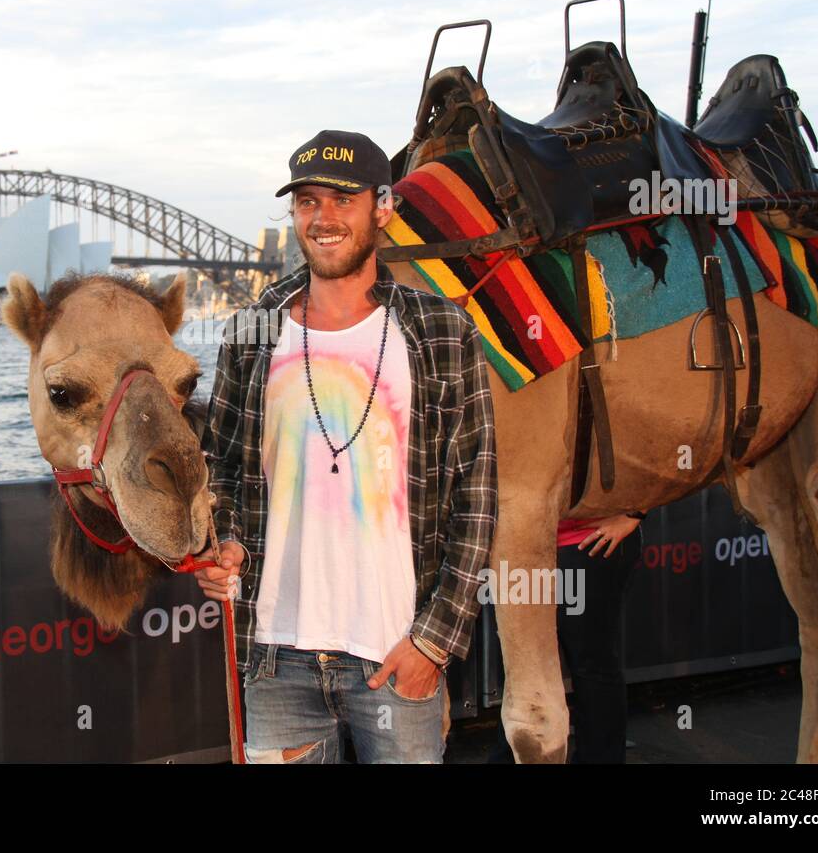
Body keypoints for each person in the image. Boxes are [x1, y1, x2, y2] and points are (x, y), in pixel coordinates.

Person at [193, 129, 497, 763]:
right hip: (276, 659)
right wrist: (222, 543)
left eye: (342, 199)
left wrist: (434, 643)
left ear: (382, 208)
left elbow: (476, 496)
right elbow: (219, 466)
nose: (323, 218)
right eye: (306, 201)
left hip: (395, 651)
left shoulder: (441, 330)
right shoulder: (252, 331)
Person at [490, 511, 645, 763]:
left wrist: (634, 515)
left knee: (591, 665)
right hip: (528, 546)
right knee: (525, 666)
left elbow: (663, 470)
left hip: (588, 543)